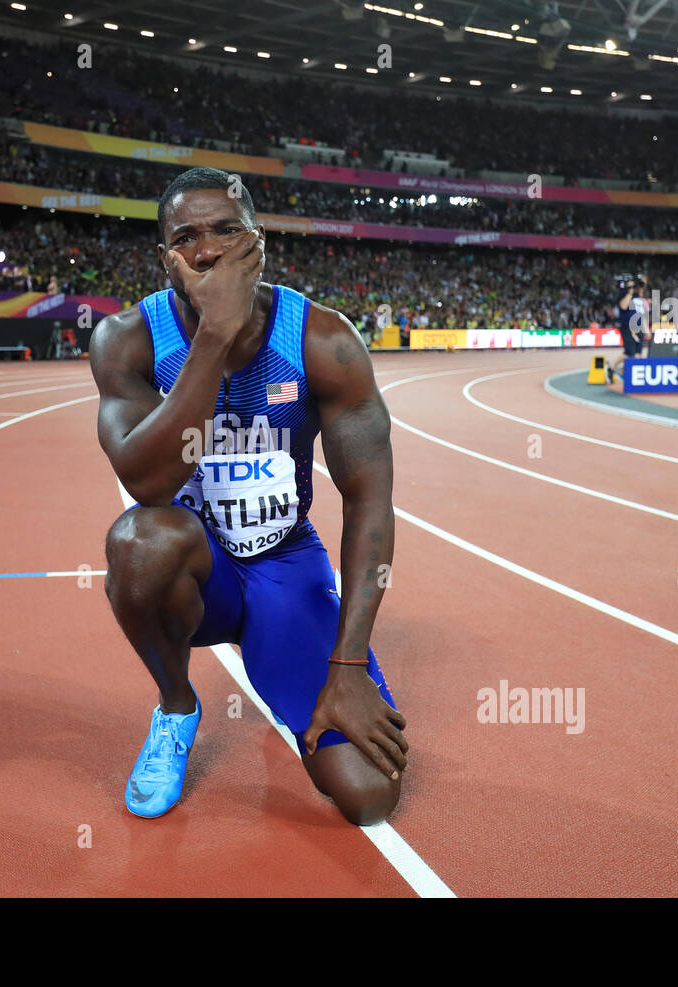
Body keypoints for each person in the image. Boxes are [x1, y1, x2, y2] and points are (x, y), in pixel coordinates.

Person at [91, 167, 406, 825]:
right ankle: (176, 705)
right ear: (165, 257)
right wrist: (213, 334)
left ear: (258, 240)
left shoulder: (323, 341)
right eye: (188, 237)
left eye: (227, 231)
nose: (209, 251)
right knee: (138, 542)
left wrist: (347, 664)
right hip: (195, 565)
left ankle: (289, 650)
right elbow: (146, 485)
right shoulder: (129, 340)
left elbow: (369, 502)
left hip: (284, 562)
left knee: (369, 791)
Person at [610, 275, 648, 382]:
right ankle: (619, 370)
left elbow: (642, 315)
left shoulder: (639, 298)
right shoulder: (624, 294)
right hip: (627, 327)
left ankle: (619, 369)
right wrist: (629, 292)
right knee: (630, 353)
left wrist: (646, 330)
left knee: (637, 353)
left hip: (638, 328)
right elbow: (623, 306)